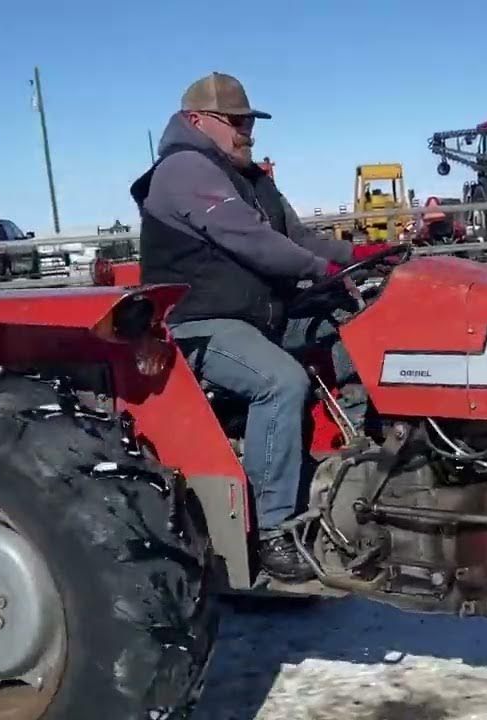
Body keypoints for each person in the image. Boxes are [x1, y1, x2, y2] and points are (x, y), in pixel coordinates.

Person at [129, 72, 389, 582]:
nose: (247, 132)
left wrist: (358, 256)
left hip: (262, 315)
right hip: (201, 324)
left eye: (251, 122)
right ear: (196, 121)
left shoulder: (251, 178)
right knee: (280, 383)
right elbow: (247, 238)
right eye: (237, 122)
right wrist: (321, 270)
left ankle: (370, 465)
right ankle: (272, 531)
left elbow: (298, 238)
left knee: (366, 335)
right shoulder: (184, 169)